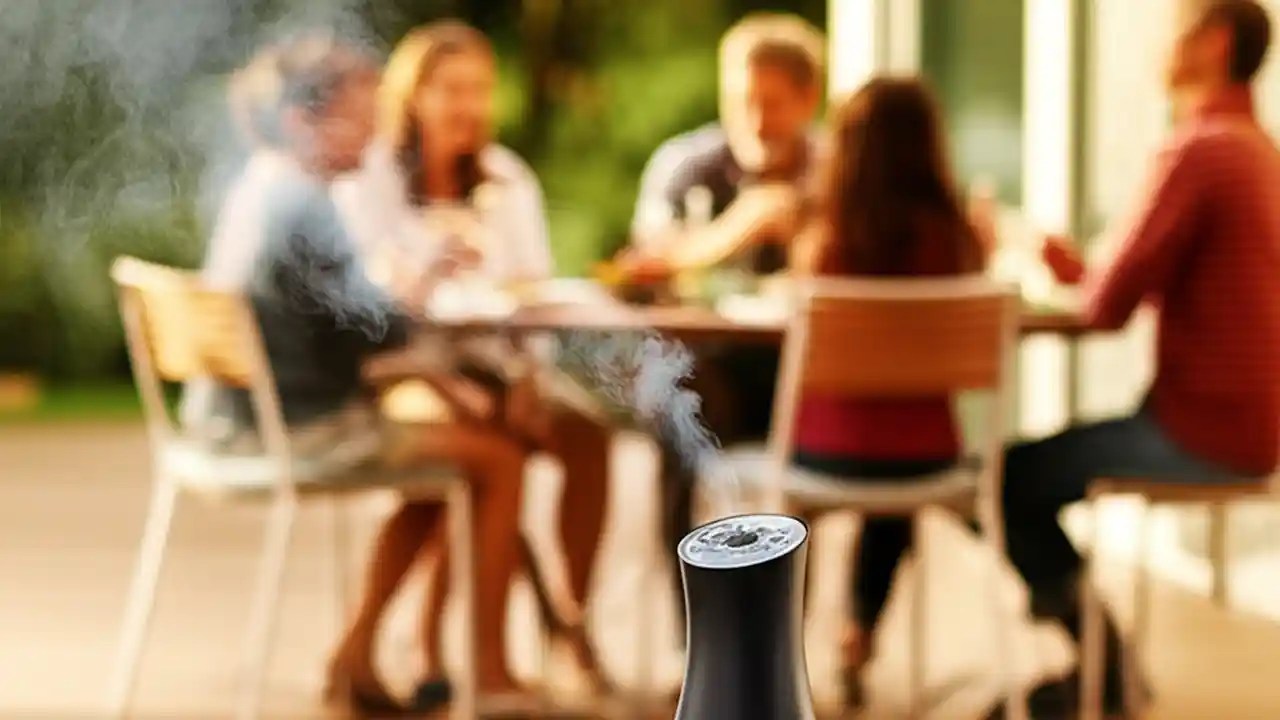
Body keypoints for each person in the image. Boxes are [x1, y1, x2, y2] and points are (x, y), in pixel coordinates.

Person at [188, 36, 533, 714]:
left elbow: (355, 336)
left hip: (231, 421)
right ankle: (492, 680)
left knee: (454, 455)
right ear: (301, 122)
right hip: (296, 429)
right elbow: (382, 333)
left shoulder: (265, 189)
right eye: (357, 115)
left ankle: (355, 655)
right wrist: (433, 319)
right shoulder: (306, 208)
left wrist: (437, 369)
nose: (375, 131)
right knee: (500, 461)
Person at [332, 20, 612, 707]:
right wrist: (432, 258)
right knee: (487, 455)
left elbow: (534, 295)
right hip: (410, 373)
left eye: (481, 90)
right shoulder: (369, 179)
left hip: (498, 364)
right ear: (413, 96)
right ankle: (469, 657)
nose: (470, 107)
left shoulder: (507, 181)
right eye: (452, 90)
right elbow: (370, 312)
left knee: (586, 436)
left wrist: (525, 378)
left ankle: (568, 622)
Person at [1012, 0, 1280, 713]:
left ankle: (1106, 674)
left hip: (1202, 432)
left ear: (1214, 43)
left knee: (1011, 478)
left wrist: (1056, 270)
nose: (1156, 47)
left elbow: (1105, 311)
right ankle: (1104, 670)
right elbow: (1132, 287)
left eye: (1173, 30)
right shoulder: (1257, 149)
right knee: (1031, 473)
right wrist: (1075, 270)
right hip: (1250, 424)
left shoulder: (1200, 150)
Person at [623, 12, 824, 631]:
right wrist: (733, 232)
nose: (757, 120)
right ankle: (699, 641)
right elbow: (642, 271)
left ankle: (803, 641)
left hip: (805, 377)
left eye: (774, 104)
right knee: (674, 412)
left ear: (808, 101)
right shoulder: (686, 167)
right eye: (743, 101)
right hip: (709, 371)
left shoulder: (836, 172)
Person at [789, 77, 985, 706]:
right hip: (928, 456)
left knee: (837, 481)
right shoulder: (957, 244)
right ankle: (859, 632)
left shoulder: (827, 245)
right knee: (892, 486)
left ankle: (783, 651)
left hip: (825, 453)